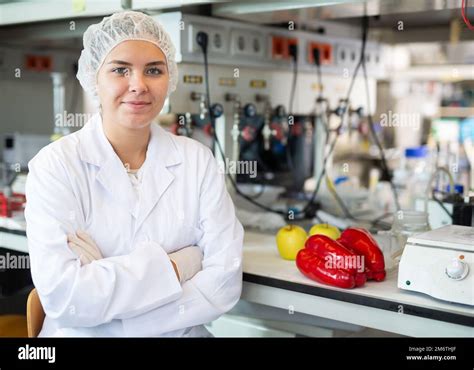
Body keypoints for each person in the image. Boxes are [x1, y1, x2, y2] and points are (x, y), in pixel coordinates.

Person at [24, 10, 244, 337]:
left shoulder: (197, 161)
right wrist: (180, 264)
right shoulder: (55, 166)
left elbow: (223, 283)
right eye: (120, 70)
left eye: (154, 70)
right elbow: (65, 298)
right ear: (94, 78)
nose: (138, 85)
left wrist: (110, 299)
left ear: (170, 78)